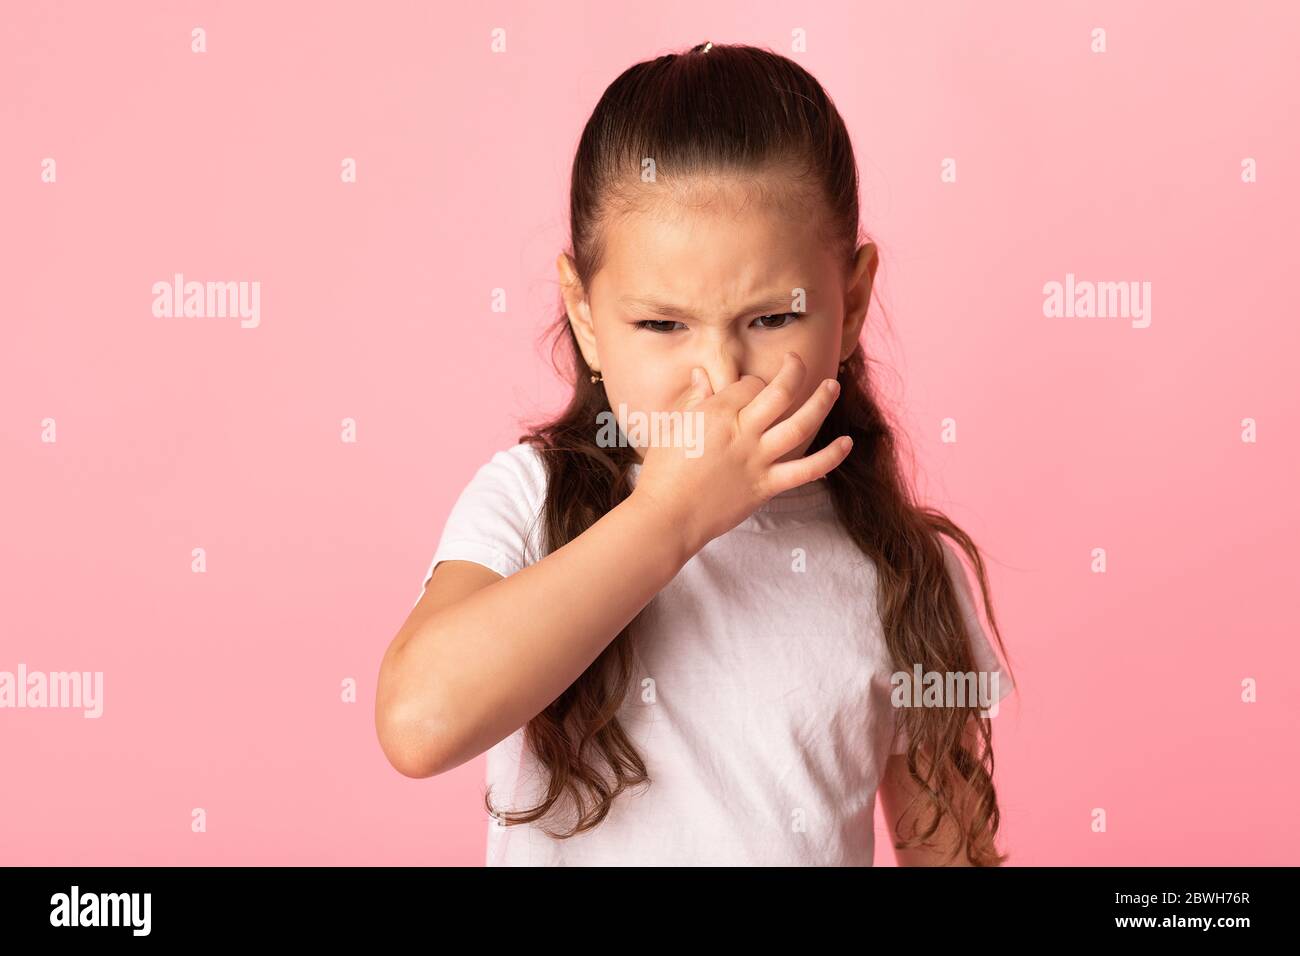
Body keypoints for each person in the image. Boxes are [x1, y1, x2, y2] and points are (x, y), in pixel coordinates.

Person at [376, 41, 1017, 866]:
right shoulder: (529, 502)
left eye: (771, 319)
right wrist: (671, 516)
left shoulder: (900, 565)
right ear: (584, 315)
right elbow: (419, 724)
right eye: (662, 325)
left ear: (851, 303)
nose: (719, 375)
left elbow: (952, 851)